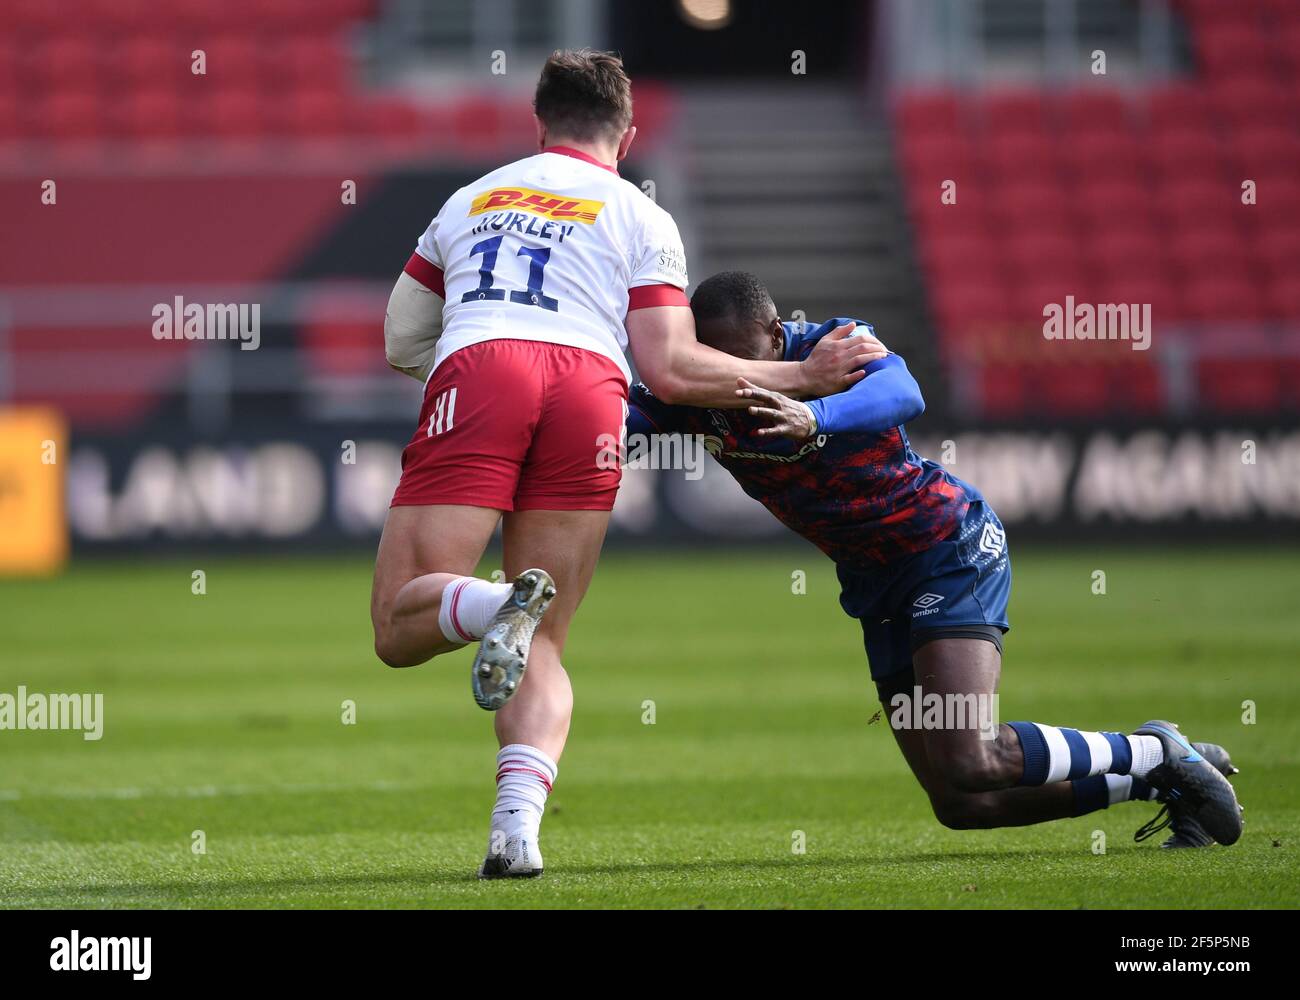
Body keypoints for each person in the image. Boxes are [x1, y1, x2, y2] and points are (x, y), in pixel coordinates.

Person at [373, 55, 877, 879]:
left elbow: (400, 340)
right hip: (590, 391)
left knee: (400, 624)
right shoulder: (644, 216)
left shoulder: (470, 199)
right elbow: (673, 369)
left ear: (538, 125)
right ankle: (516, 832)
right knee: (544, 645)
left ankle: (495, 599)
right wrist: (804, 375)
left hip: (484, 368)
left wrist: (473, 392)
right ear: (627, 133)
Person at [626, 270, 1243, 849]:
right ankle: (1157, 778)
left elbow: (904, 391)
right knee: (962, 801)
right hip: (874, 584)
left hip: (946, 549)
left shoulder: (834, 344)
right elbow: (617, 425)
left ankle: (1156, 750)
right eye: (720, 360)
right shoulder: (695, 394)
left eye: (748, 358)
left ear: (778, 331)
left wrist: (814, 412)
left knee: (975, 754)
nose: (741, 380)